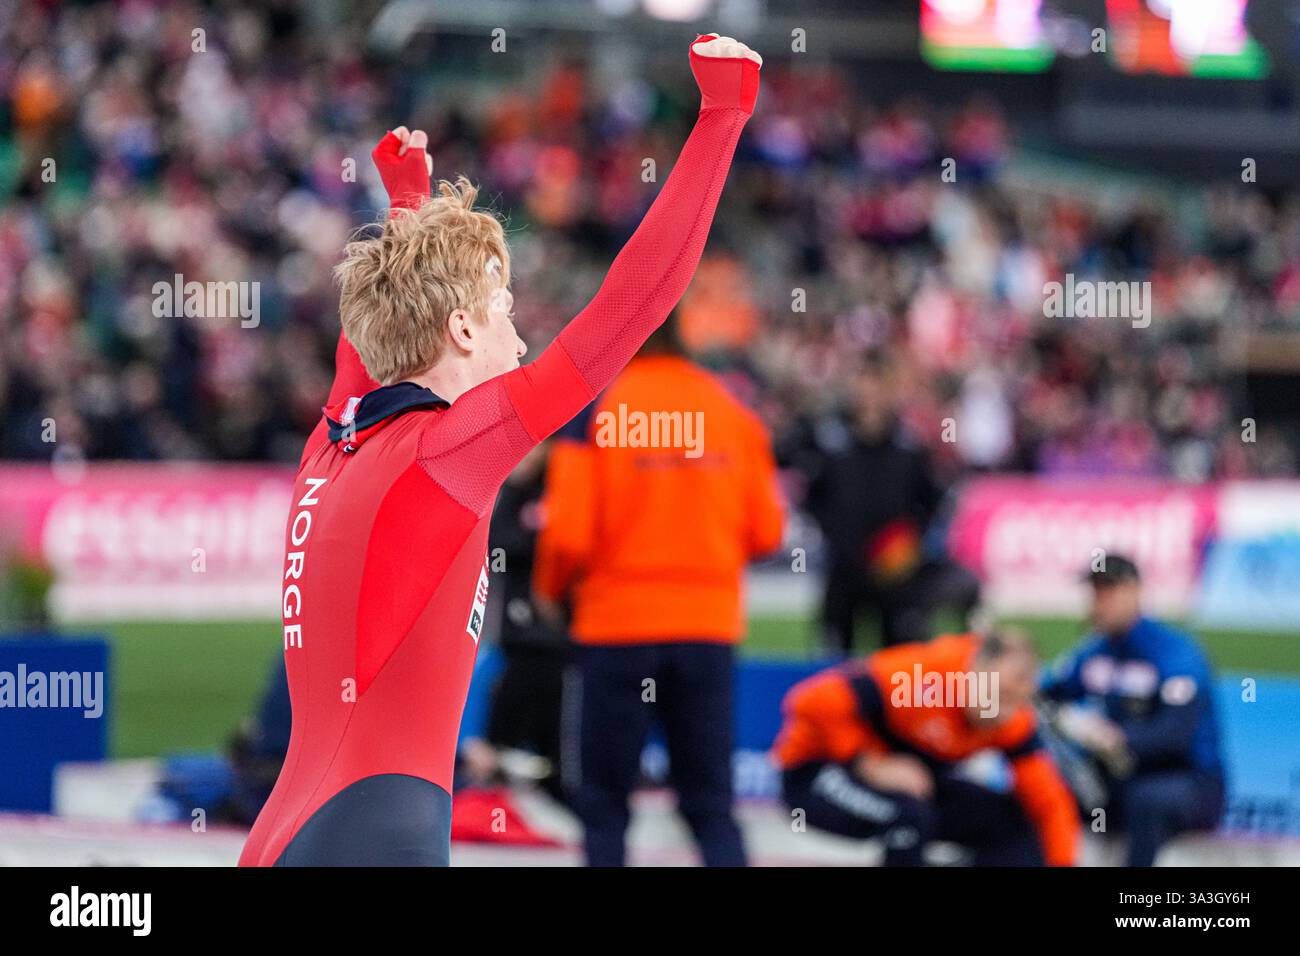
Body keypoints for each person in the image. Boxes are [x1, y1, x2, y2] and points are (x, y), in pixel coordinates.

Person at [238, 33, 763, 867]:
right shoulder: (452, 449)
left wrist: (409, 203)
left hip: (289, 829)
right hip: (382, 831)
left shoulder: (333, 438)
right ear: (462, 329)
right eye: (506, 311)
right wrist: (722, 116)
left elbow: (373, 333)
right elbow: (635, 304)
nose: (519, 340)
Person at [533, 315, 785, 866]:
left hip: (617, 627)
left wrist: (549, 592)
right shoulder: (731, 410)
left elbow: (568, 535)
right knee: (710, 805)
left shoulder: (596, 408)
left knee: (604, 803)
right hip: (706, 627)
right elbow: (767, 530)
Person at [772, 630, 1079, 866]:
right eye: (998, 695)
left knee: (1014, 822)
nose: (1002, 713)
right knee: (911, 818)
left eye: (1017, 701)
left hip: (913, 779)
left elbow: (1049, 802)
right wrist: (868, 762)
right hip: (817, 772)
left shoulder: (1012, 719)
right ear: (975, 668)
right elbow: (809, 701)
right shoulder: (925, 676)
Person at [1041, 555, 1225, 866]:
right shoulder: (1094, 652)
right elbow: (1048, 694)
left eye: (1108, 592)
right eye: (1095, 593)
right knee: (1046, 789)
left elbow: (1174, 734)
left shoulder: (1174, 652)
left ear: (1134, 591)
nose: (1099, 604)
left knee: (1146, 800)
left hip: (1190, 781)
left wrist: (1114, 738)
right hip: (1121, 778)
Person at [801, 350, 979, 652]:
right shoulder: (829, 441)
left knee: (899, 660)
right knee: (833, 657)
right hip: (844, 571)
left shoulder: (909, 445)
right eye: (864, 382)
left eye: (879, 383)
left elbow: (931, 501)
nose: (870, 393)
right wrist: (836, 538)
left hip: (894, 572)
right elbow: (812, 498)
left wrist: (908, 541)